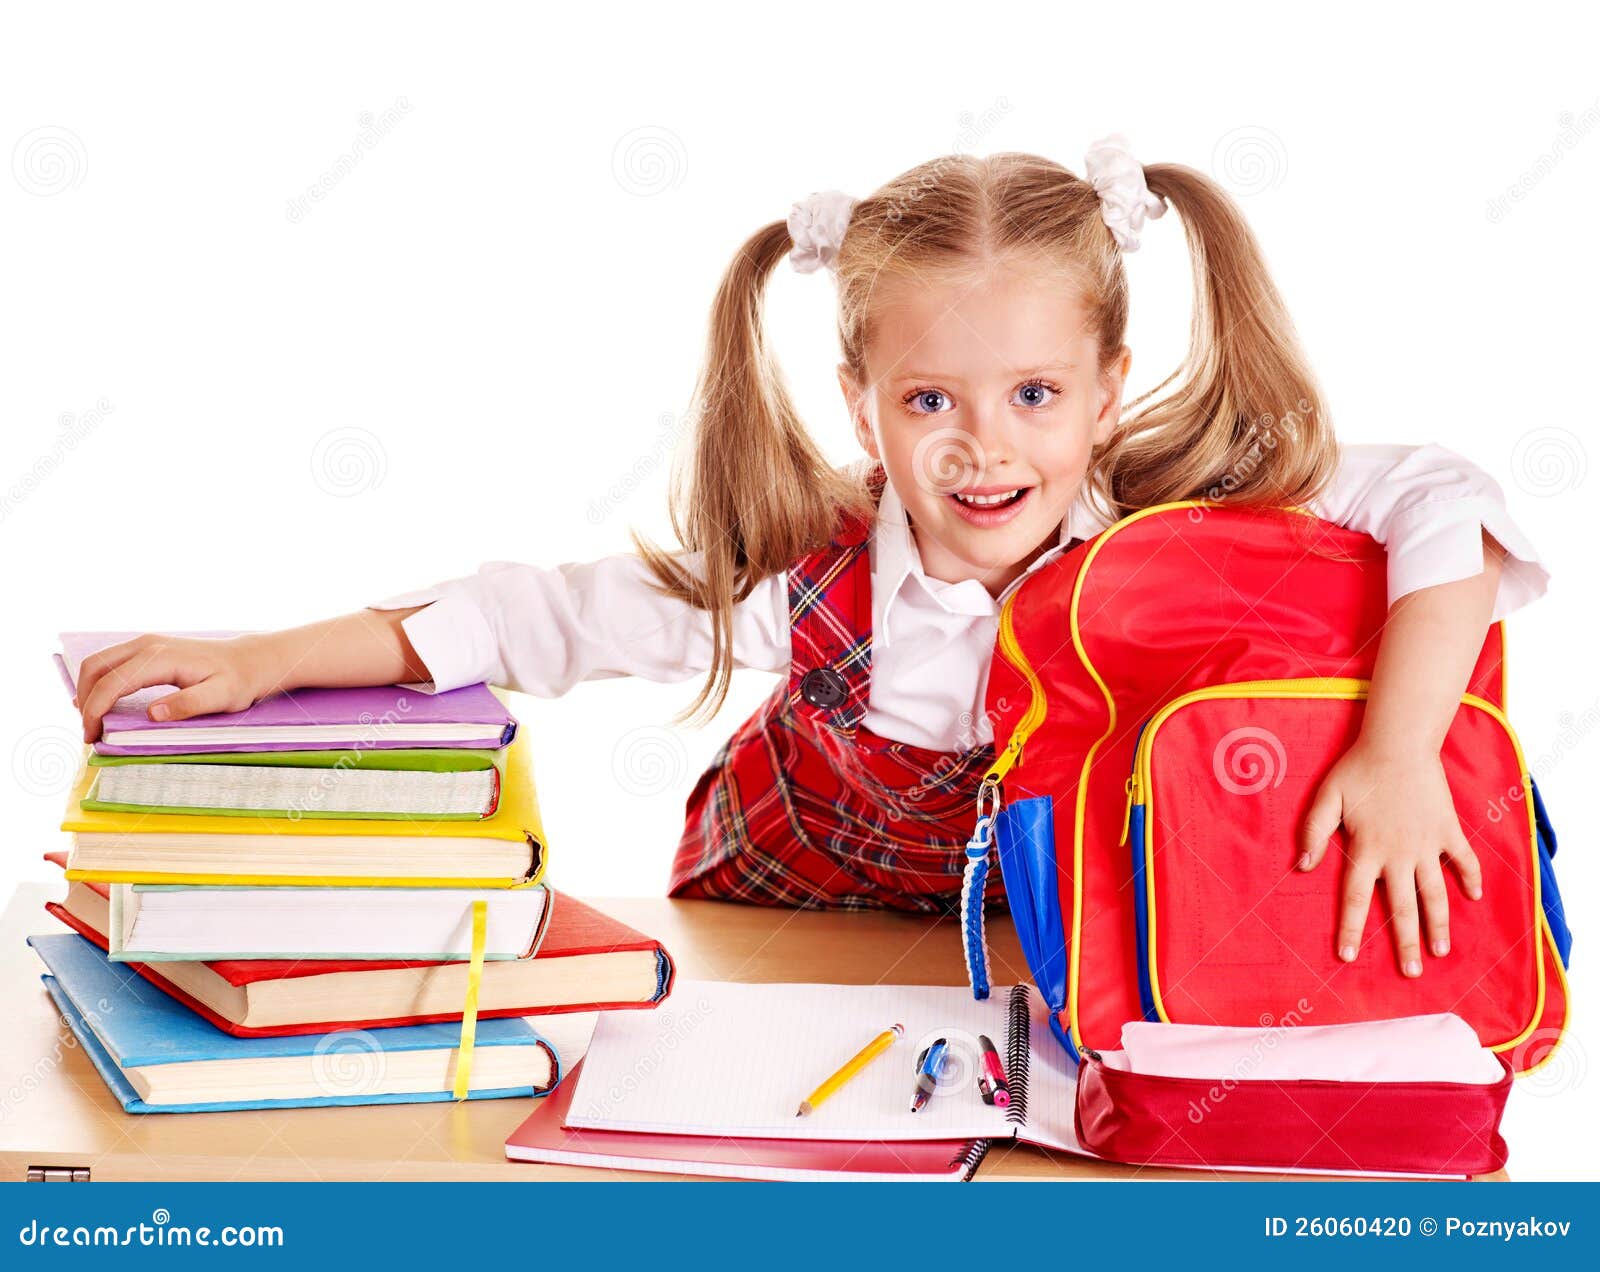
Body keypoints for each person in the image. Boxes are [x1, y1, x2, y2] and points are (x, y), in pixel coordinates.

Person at [75, 140, 1547, 977]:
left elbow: (1448, 499)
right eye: (931, 403)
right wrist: (264, 658)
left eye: (1034, 396)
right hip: (771, 954)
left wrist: (1400, 752)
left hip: (1035, 968)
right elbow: (530, 619)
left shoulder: (1174, 535)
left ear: (1108, 390)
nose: (984, 450)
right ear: (862, 406)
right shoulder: (806, 566)